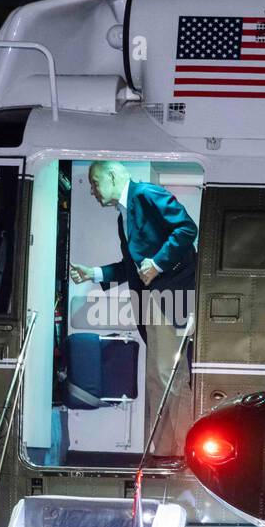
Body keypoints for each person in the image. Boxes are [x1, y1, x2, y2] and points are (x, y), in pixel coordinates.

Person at [69, 161, 198, 457]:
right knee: (164, 376)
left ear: (114, 176)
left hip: (170, 296)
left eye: (94, 182)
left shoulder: (147, 195)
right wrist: (95, 273)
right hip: (155, 299)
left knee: (164, 376)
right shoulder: (123, 217)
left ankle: (175, 453)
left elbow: (186, 228)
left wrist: (158, 263)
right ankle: (171, 450)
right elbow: (131, 267)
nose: (92, 190)